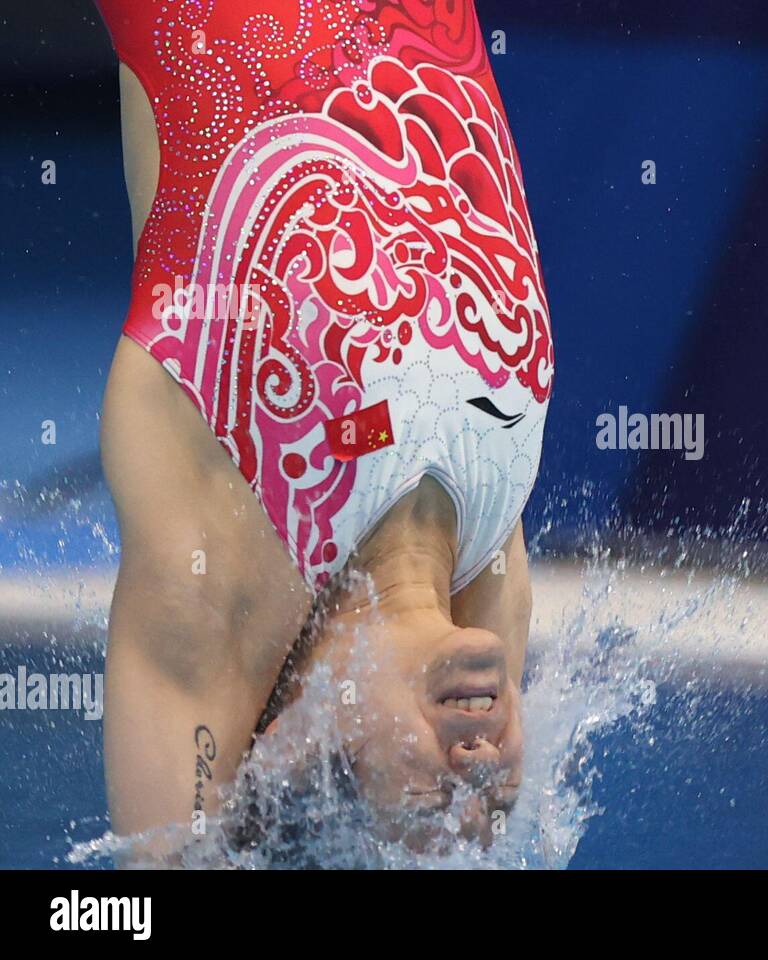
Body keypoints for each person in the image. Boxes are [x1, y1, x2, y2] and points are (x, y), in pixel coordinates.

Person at [94, 0, 553, 860]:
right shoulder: (487, 544)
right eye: (487, 798)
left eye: (430, 797)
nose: (478, 766)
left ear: (299, 740)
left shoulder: (217, 570)